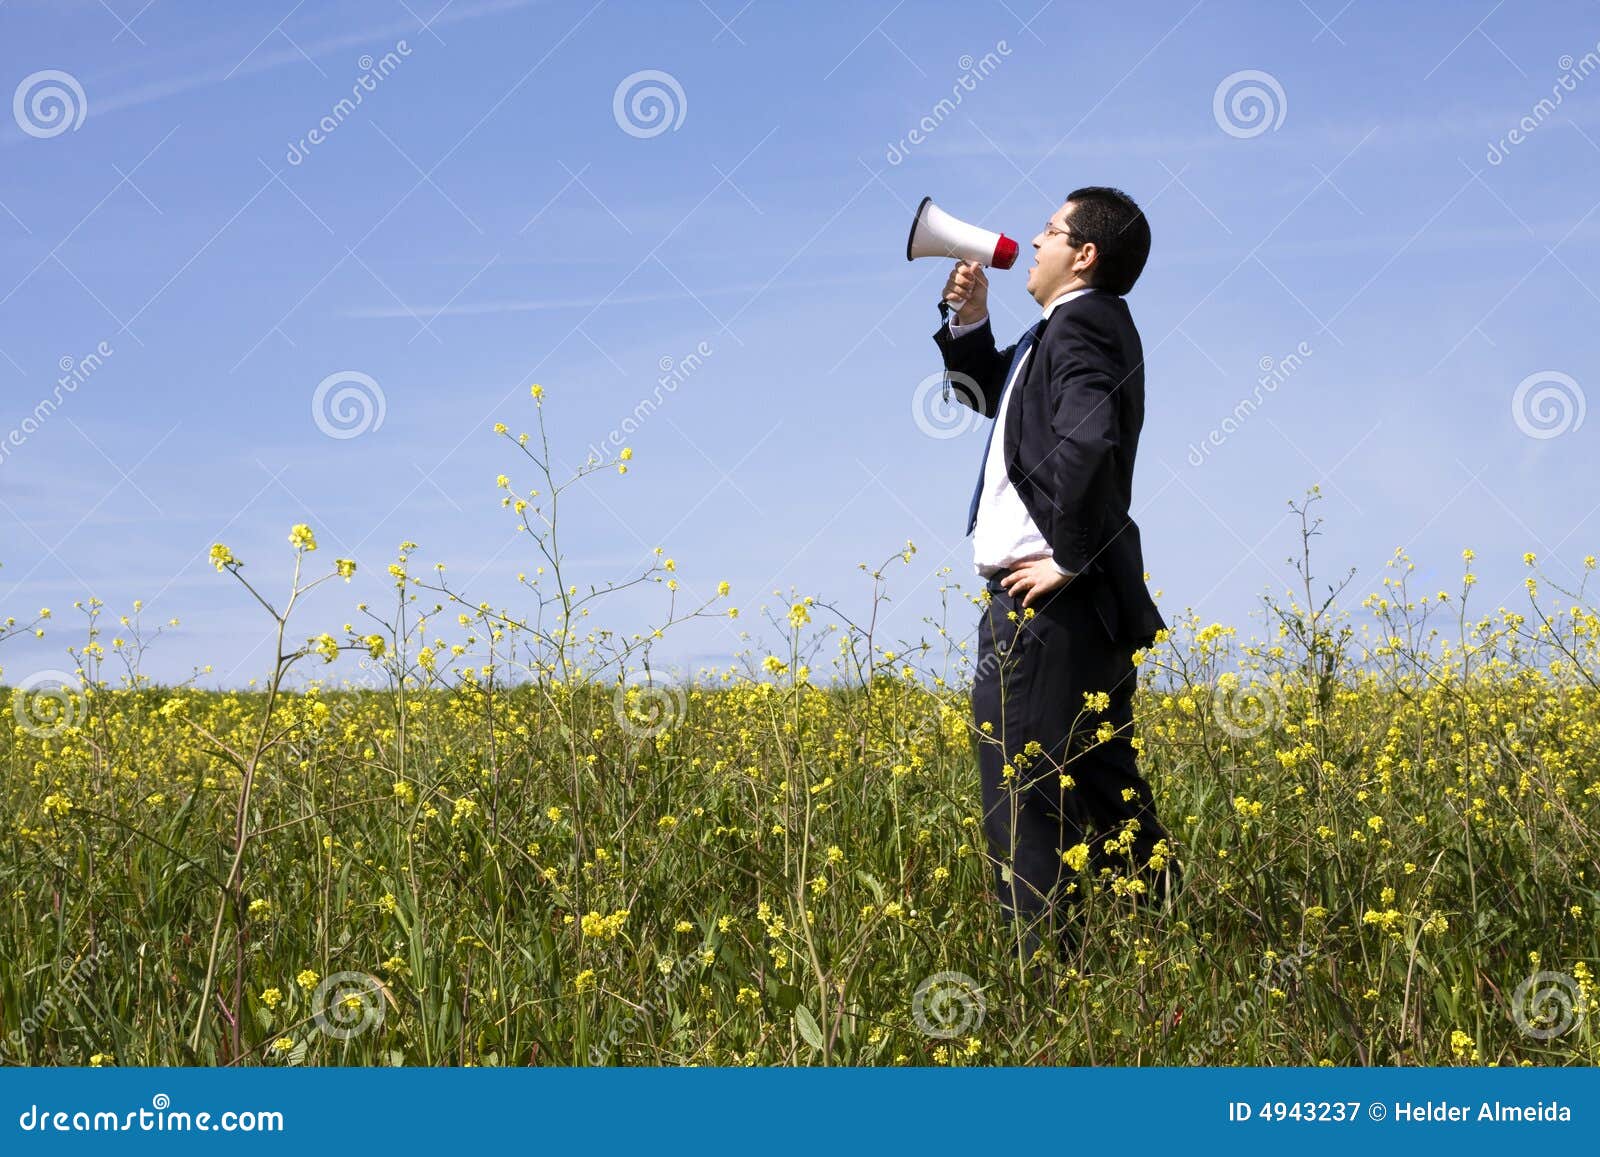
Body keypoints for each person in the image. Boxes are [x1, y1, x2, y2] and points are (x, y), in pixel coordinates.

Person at [931, 186, 1177, 961]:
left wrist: (1067, 557)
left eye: (1048, 230)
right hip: (1084, 608)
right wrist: (969, 323)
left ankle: (1042, 975)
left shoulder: (1080, 330)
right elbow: (994, 401)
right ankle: (1166, 938)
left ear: (1085, 253)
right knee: (1101, 781)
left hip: (1043, 604)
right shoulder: (1070, 331)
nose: (1033, 241)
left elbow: (1090, 440)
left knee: (1024, 791)